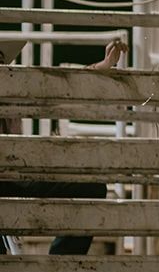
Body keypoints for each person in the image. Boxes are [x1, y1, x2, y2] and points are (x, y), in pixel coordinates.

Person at [1, 37, 125, 256]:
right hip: (10, 177)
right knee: (89, 186)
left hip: (12, 176)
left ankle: (60, 264)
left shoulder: (14, 87)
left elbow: (58, 86)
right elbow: (57, 87)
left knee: (90, 186)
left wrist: (102, 66)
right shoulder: (13, 87)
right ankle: (59, 266)